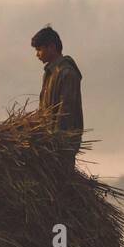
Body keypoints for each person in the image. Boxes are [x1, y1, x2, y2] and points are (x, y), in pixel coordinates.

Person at [31, 25, 84, 161]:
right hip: (49, 143)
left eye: (39, 49)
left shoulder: (67, 73)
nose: (37, 54)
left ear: (52, 47)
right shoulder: (50, 73)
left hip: (61, 146)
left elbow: (66, 112)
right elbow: (45, 110)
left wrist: (56, 143)